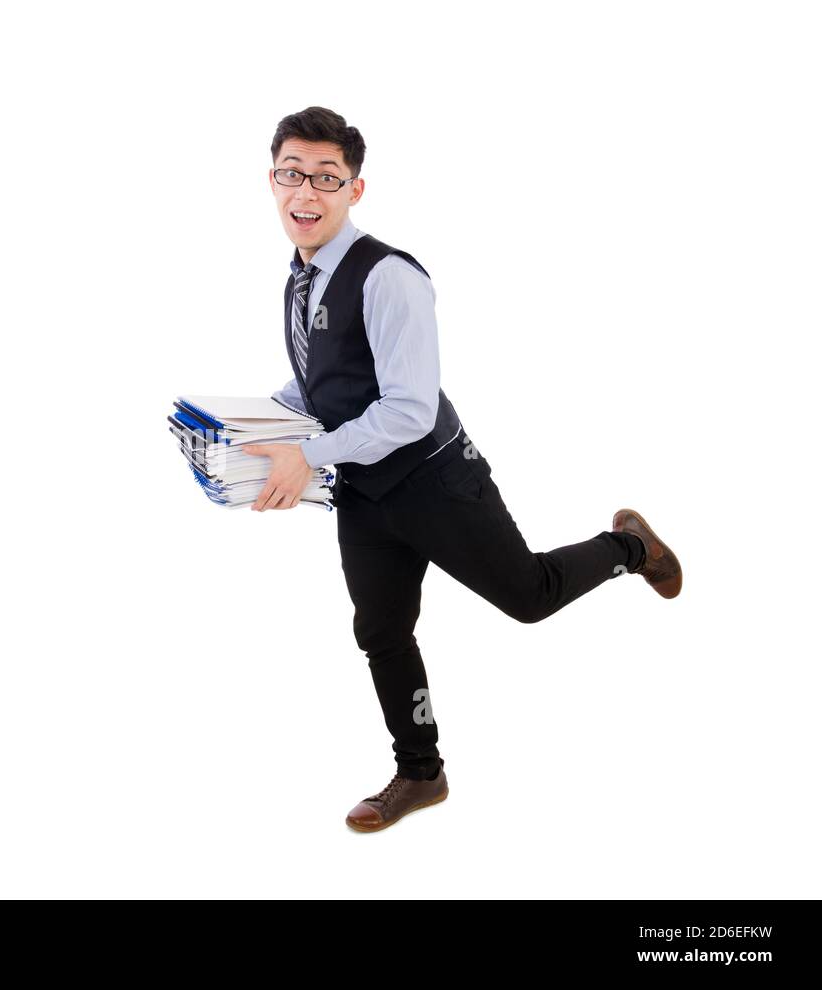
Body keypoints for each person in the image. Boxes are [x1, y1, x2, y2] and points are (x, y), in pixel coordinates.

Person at [241, 107, 682, 833]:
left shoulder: (389, 277)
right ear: (273, 180)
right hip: (364, 489)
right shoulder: (300, 275)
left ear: (355, 189)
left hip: (435, 479)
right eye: (294, 174)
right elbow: (325, 380)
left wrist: (308, 455)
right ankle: (421, 774)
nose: (306, 191)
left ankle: (631, 548)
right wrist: (246, 424)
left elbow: (409, 411)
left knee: (530, 597)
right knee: (380, 629)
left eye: (327, 177)